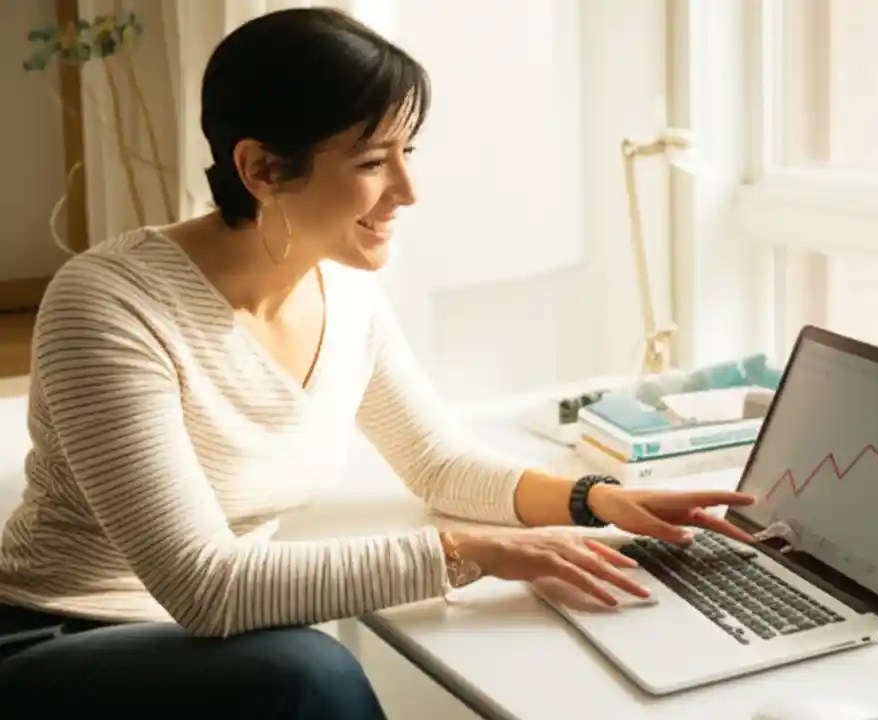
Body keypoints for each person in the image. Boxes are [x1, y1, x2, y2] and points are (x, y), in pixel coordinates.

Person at [0, 8, 755, 718]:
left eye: (407, 151)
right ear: (262, 169)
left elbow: (438, 463)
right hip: (56, 633)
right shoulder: (109, 305)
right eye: (371, 160)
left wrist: (597, 499)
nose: (408, 190)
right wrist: (473, 553)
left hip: (190, 637)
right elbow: (206, 586)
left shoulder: (343, 290)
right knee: (309, 671)